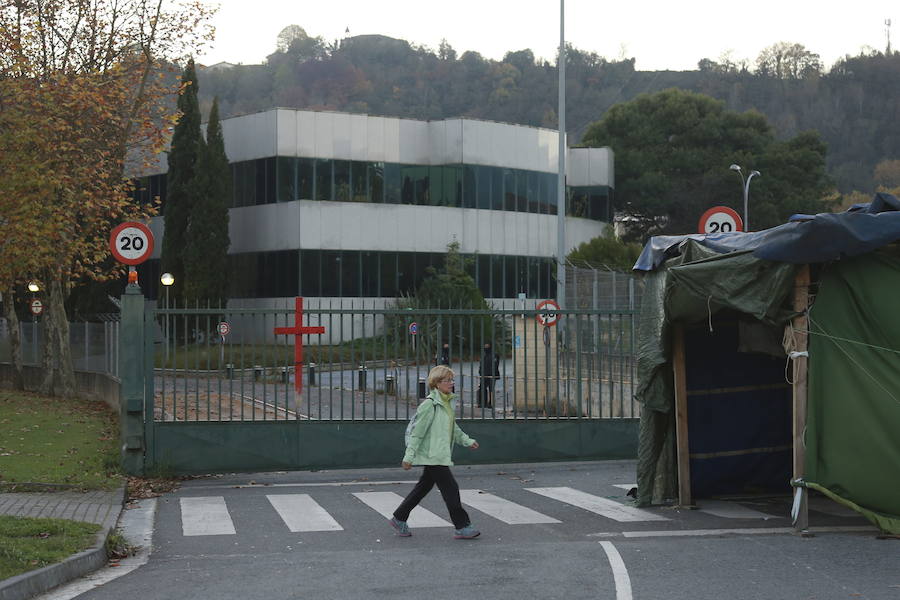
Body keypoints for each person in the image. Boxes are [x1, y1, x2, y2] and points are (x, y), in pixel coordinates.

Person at [390, 365, 481, 539]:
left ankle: (399, 516)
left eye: (451, 380)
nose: (451, 383)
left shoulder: (446, 403)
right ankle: (462, 526)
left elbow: (452, 428)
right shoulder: (430, 405)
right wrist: (408, 457)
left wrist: (467, 441)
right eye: (447, 380)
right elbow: (417, 433)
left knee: (423, 487)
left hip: (437, 455)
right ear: (436, 383)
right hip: (433, 455)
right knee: (450, 488)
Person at [477, 342, 500, 408]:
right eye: (485, 346)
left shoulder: (495, 355)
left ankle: (491, 403)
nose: (486, 348)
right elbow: (481, 365)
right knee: (482, 388)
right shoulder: (483, 355)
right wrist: (480, 372)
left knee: (491, 389)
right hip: (483, 375)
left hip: (491, 375)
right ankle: (482, 403)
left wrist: (492, 374)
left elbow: (495, 365)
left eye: (487, 346)